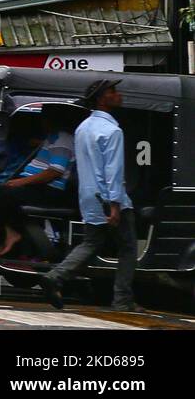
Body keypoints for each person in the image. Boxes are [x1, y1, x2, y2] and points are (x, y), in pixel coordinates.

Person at [41, 80, 141, 312]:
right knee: (128, 248)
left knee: (92, 242)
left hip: (88, 196)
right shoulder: (112, 131)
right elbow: (113, 171)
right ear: (101, 98)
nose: (118, 95)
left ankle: (56, 276)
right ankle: (122, 299)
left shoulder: (83, 127)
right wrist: (115, 204)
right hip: (110, 199)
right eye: (112, 92)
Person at [0, 108, 76, 256]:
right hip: (36, 185)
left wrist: (21, 182)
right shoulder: (52, 138)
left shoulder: (62, 139)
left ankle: (13, 232)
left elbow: (55, 171)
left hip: (48, 189)